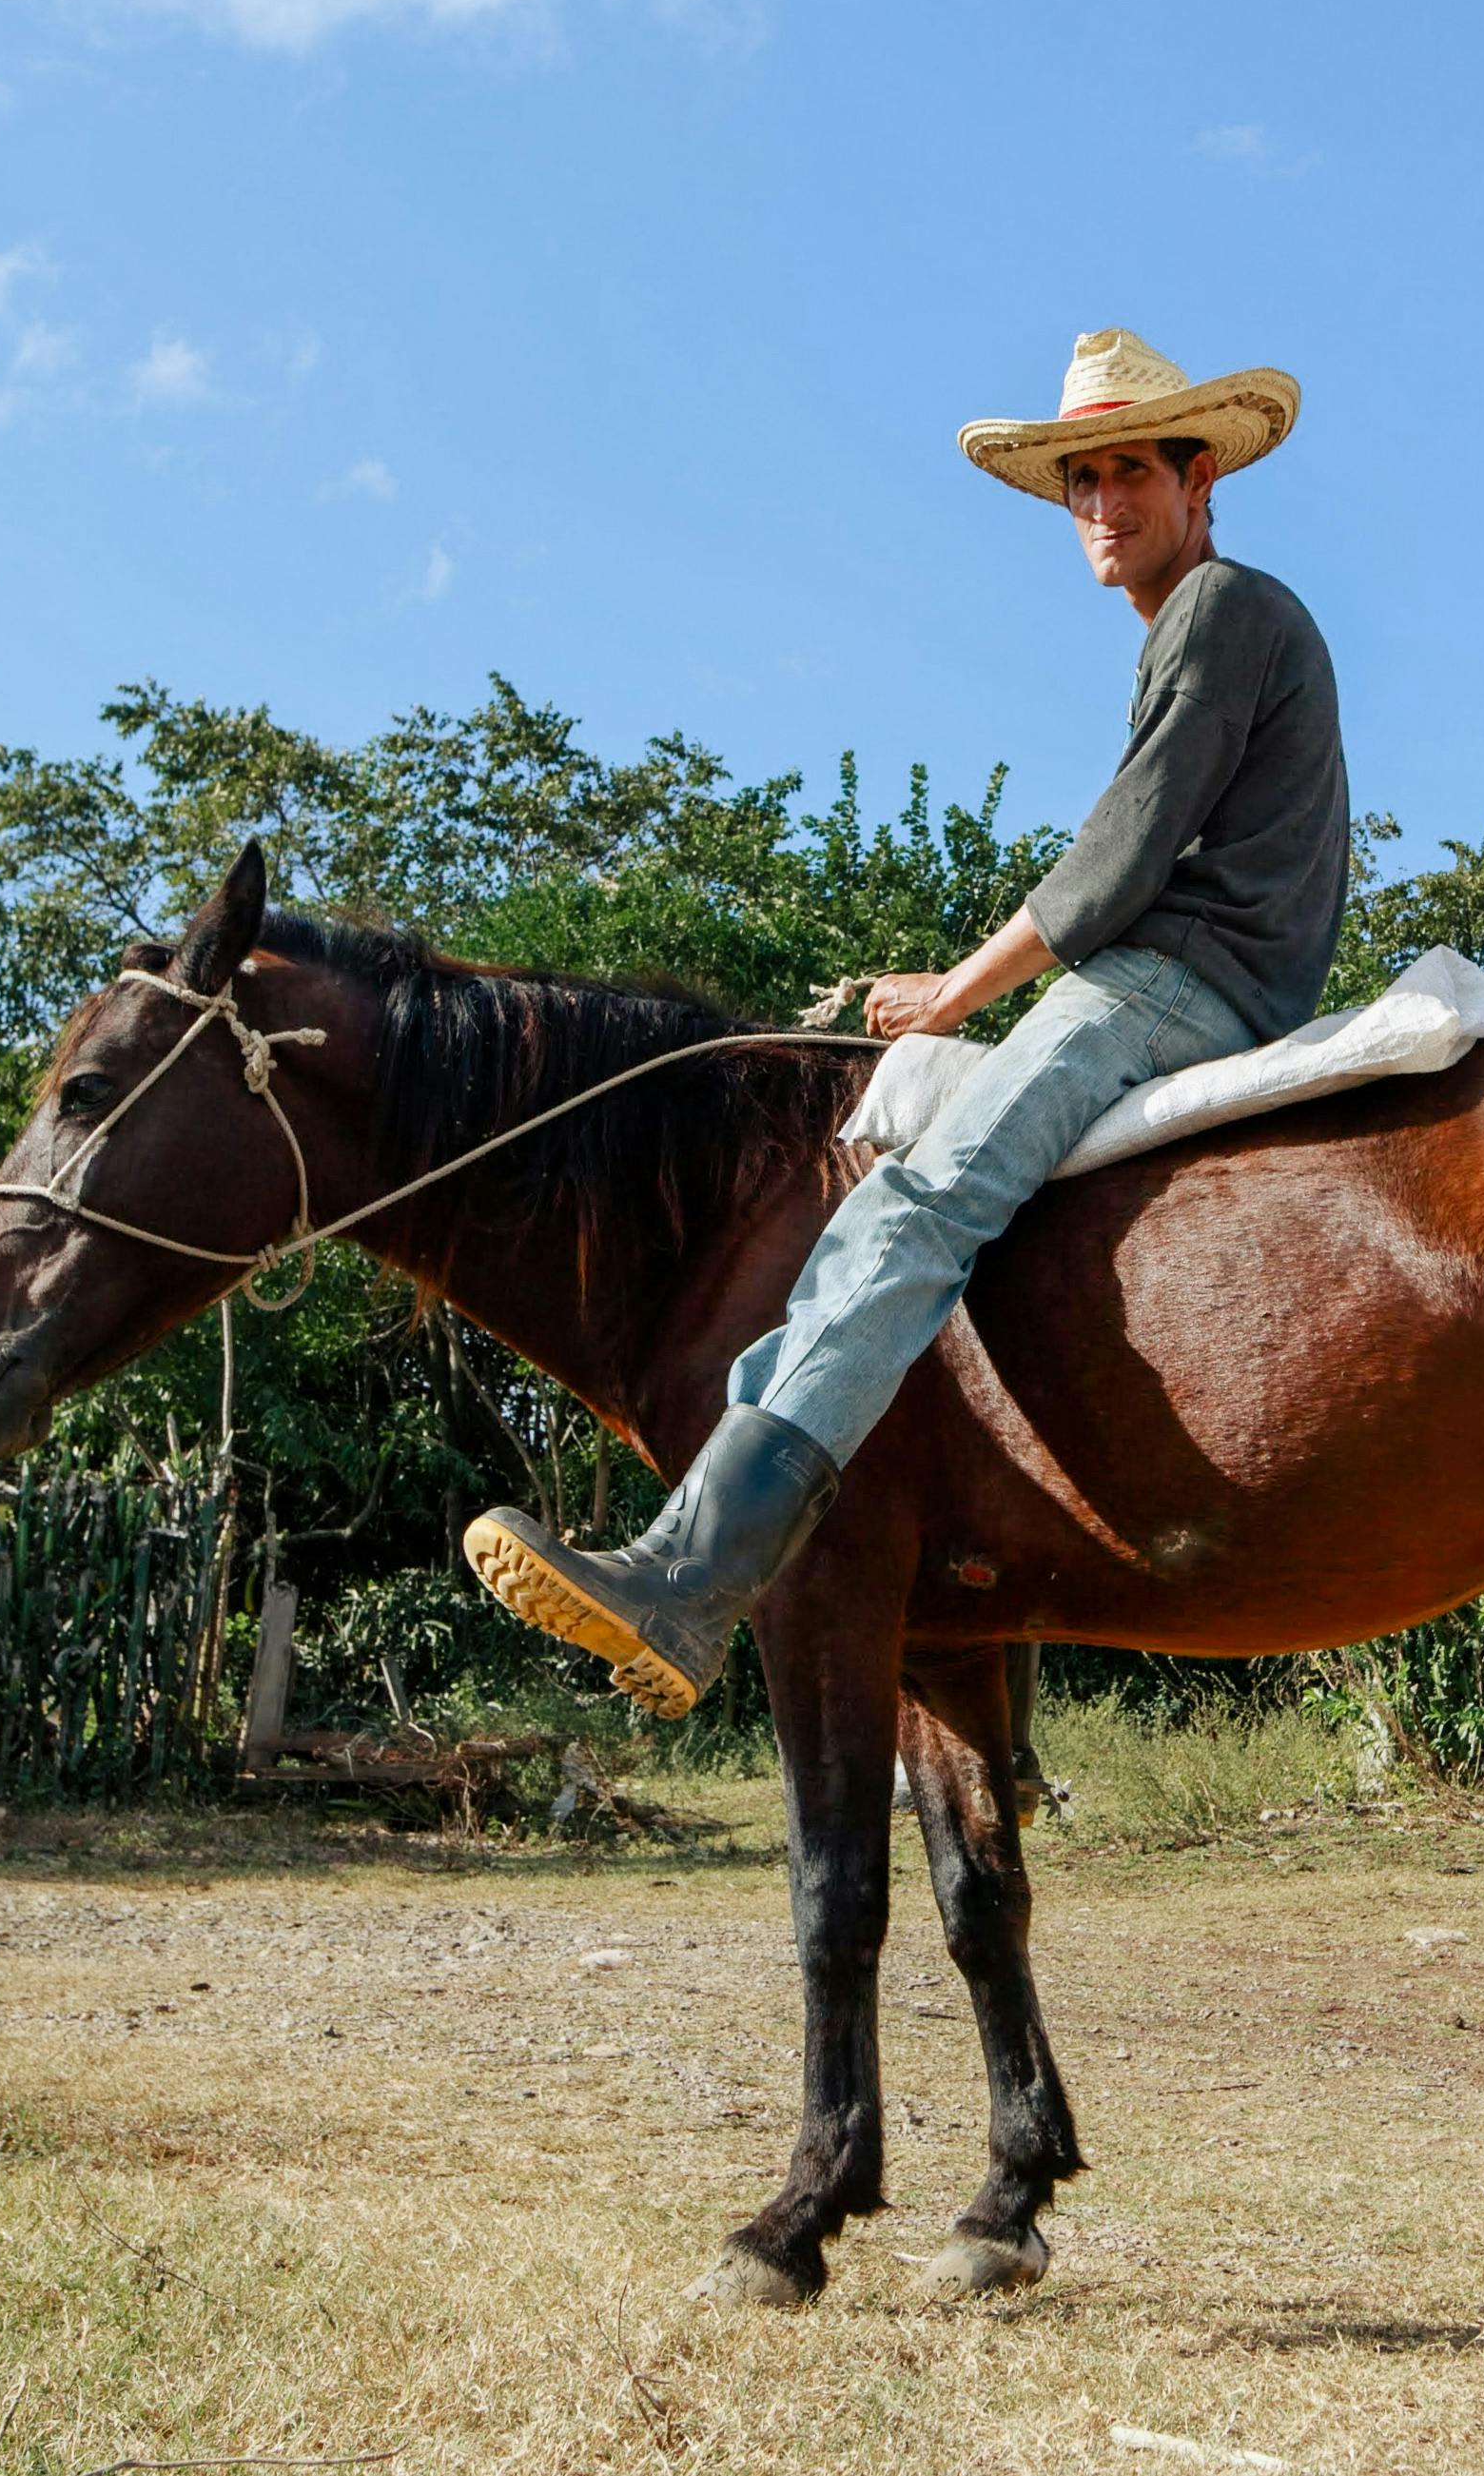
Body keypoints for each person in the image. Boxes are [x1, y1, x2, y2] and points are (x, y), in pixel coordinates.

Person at [466, 328, 1351, 1727]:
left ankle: (694, 1570)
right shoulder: (1221, 622)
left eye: (1132, 473)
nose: (1106, 505)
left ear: (1201, 484)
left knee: (915, 1207)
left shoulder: (1221, 609)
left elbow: (1118, 862)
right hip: (1203, 979)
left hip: (1170, 986)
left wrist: (950, 994)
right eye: (1083, 484)